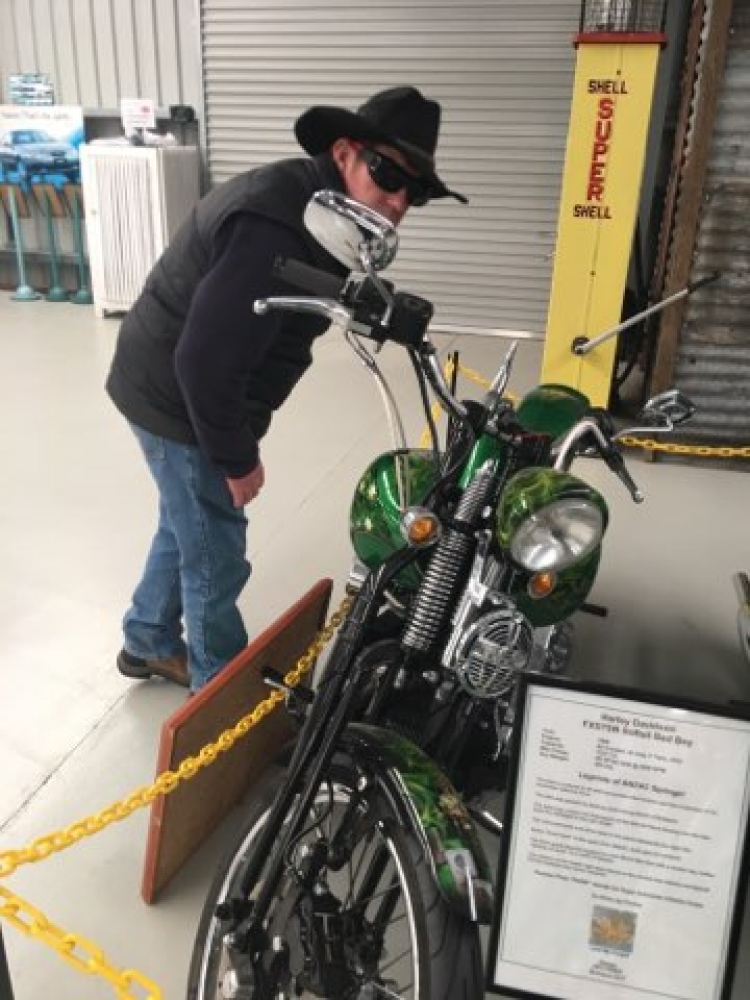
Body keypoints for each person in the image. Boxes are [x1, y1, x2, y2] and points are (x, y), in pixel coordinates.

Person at [106, 85, 467, 693]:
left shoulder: (322, 208)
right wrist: (237, 457)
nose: (400, 200)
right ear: (346, 151)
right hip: (176, 396)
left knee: (186, 521)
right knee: (215, 547)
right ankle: (221, 696)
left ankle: (147, 639)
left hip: (176, 379)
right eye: (388, 173)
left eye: (417, 192)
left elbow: (286, 293)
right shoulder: (274, 221)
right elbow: (203, 359)